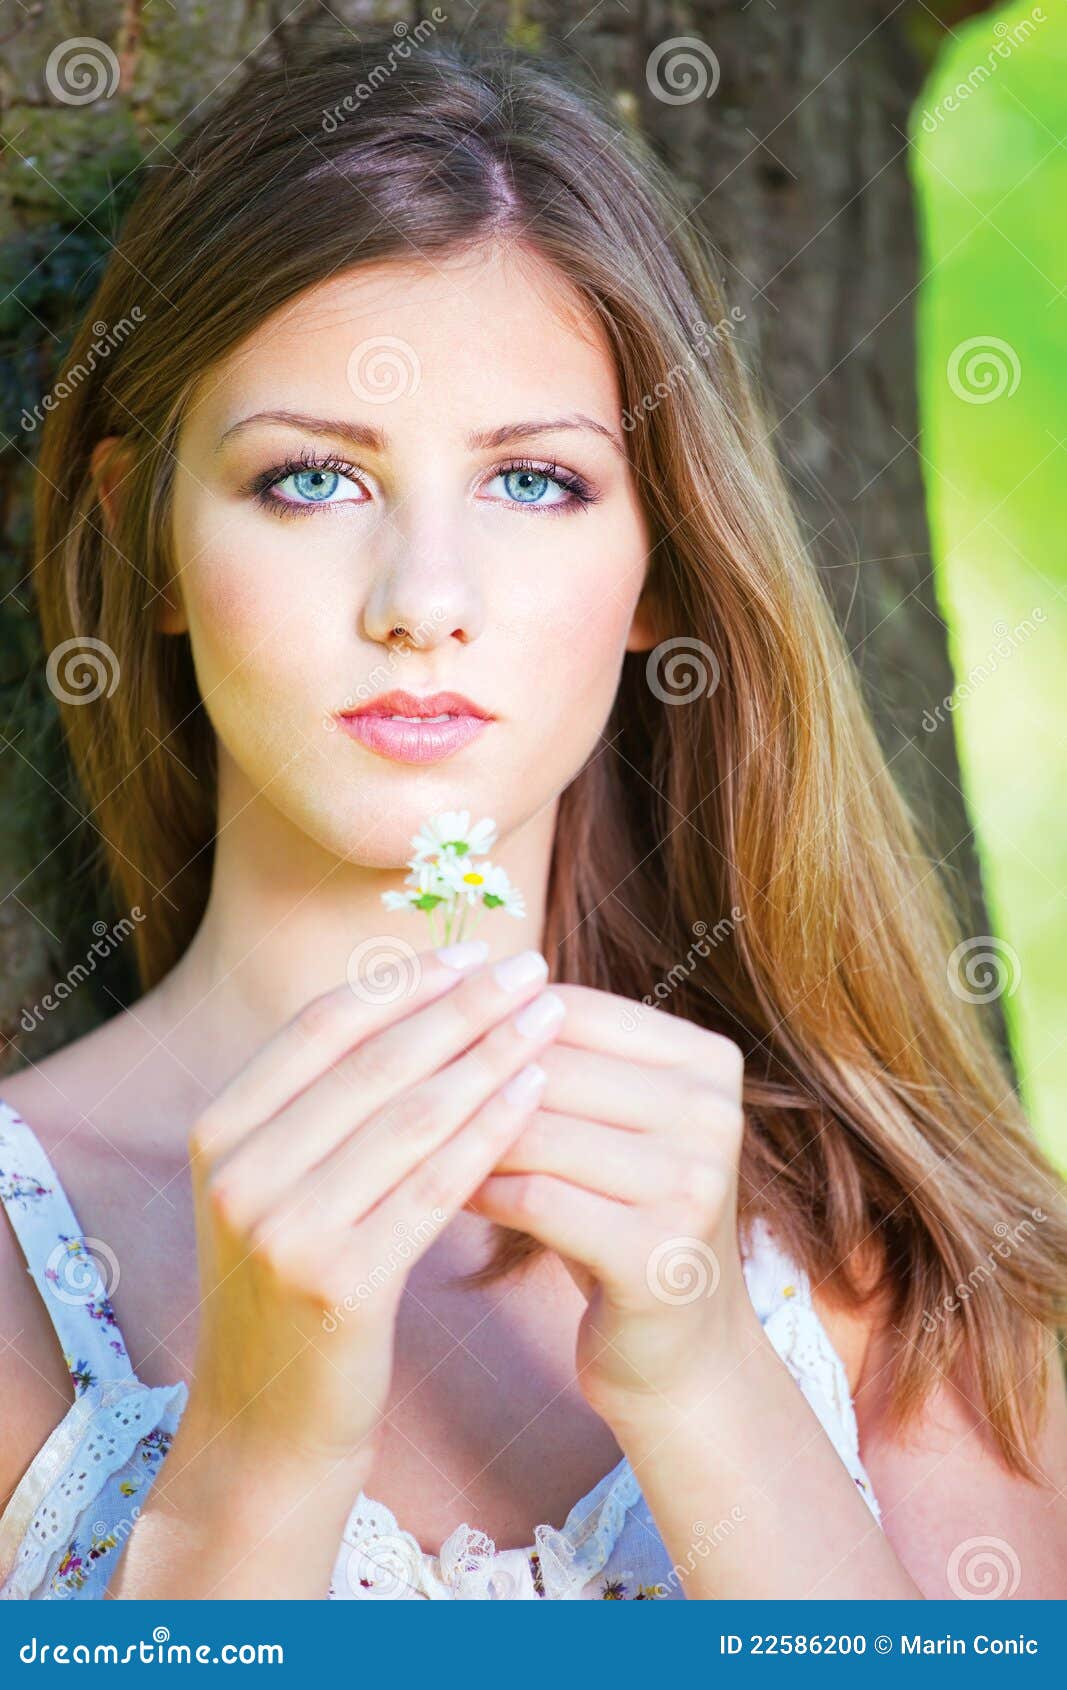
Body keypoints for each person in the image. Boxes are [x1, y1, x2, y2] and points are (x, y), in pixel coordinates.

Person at [1, 33, 1064, 1603]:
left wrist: (709, 1388)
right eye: (308, 479)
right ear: (140, 537)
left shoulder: (895, 1234)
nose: (426, 603)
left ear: (665, 567)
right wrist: (256, 1462)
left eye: (535, 484)